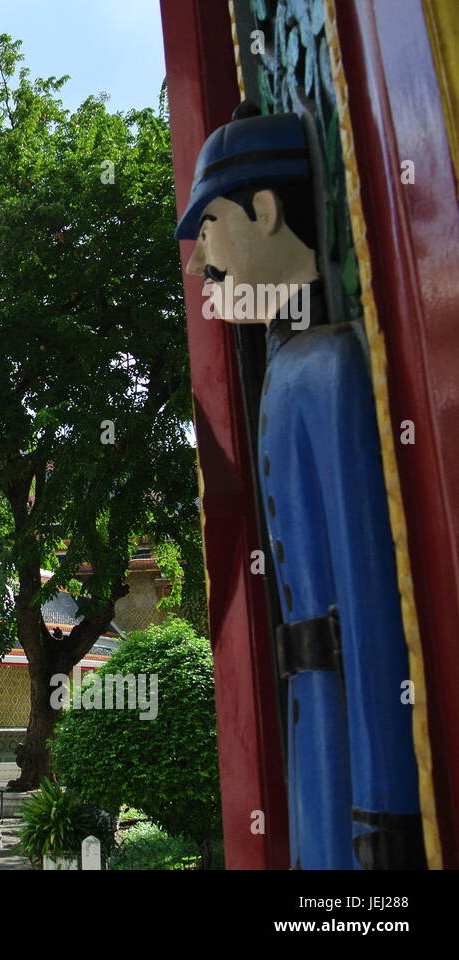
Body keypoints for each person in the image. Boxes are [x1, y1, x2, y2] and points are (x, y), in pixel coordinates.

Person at [178, 102, 424, 869]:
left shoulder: (334, 369)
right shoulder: (284, 366)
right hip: (312, 722)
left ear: (265, 208)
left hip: (358, 733)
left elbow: (372, 599)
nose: (200, 265)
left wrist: (387, 811)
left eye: (209, 229)